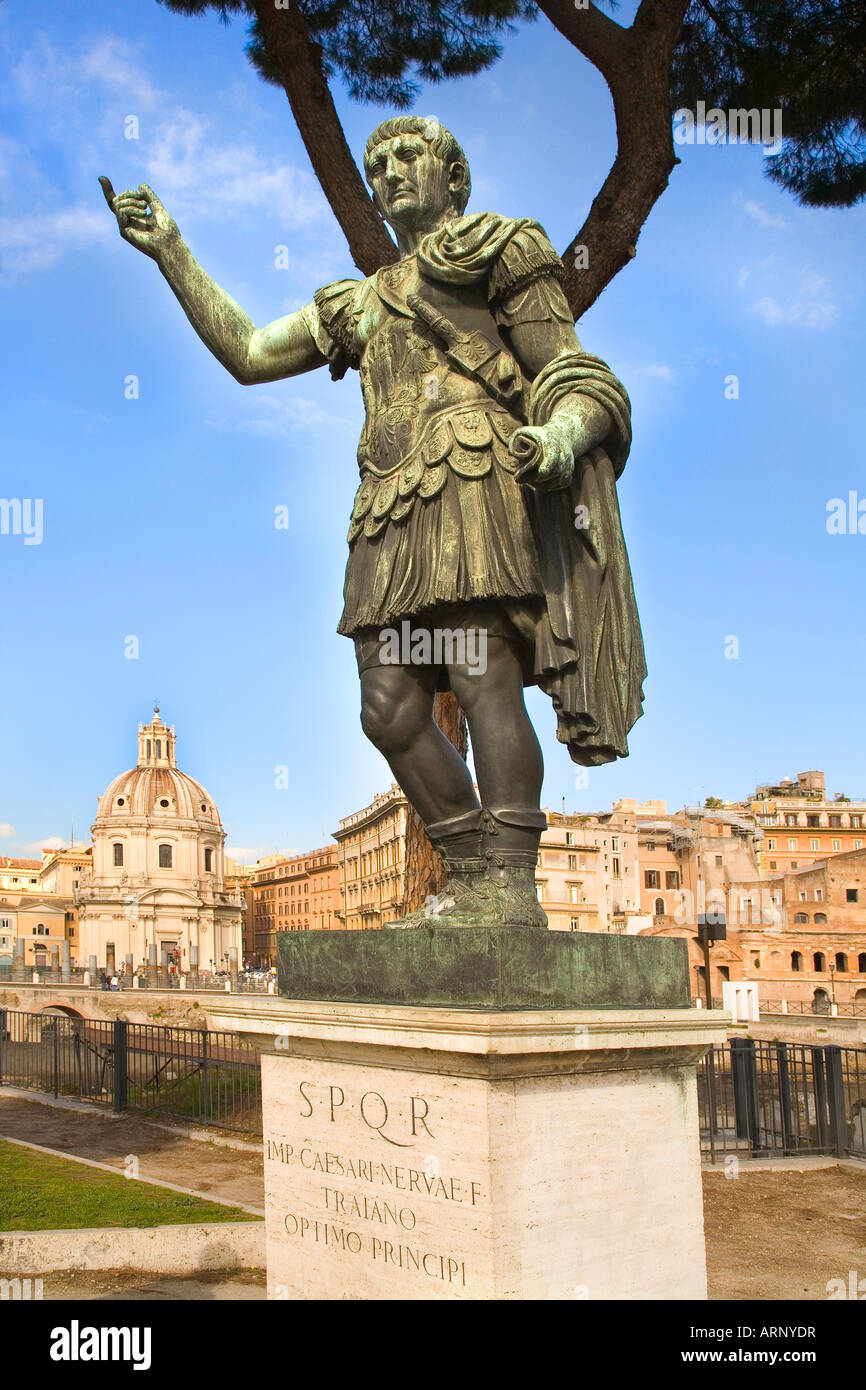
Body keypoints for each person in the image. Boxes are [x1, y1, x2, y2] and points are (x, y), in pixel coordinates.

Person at [101, 117, 644, 928]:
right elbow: (250, 351)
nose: (388, 172)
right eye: (376, 163)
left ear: (452, 178)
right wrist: (173, 252)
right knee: (386, 708)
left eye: (406, 157)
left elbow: (567, 368)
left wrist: (562, 434)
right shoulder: (361, 301)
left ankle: (509, 885)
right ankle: (470, 878)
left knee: (479, 673)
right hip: (389, 508)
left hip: (471, 472)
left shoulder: (503, 246)